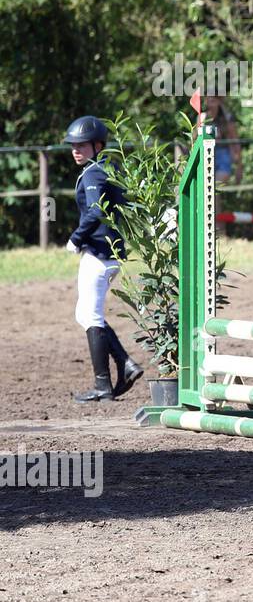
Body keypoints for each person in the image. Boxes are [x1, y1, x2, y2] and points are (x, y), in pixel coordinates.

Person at [64, 115, 143, 402]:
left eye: (82, 145)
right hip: (108, 252)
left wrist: (76, 238)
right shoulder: (105, 168)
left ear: (98, 145)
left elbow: (96, 211)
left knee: (90, 314)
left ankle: (103, 384)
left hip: (99, 252)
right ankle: (126, 364)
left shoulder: (95, 173)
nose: (76, 150)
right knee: (85, 314)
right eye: (73, 145)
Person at [204, 93, 242, 185]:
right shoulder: (202, 117)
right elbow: (194, 139)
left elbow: (236, 142)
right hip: (205, 155)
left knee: (215, 186)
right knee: (209, 190)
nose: (210, 102)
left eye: (213, 100)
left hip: (223, 156)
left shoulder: (227, 119)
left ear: (219, 101)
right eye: (208, 99)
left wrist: (239, 167)